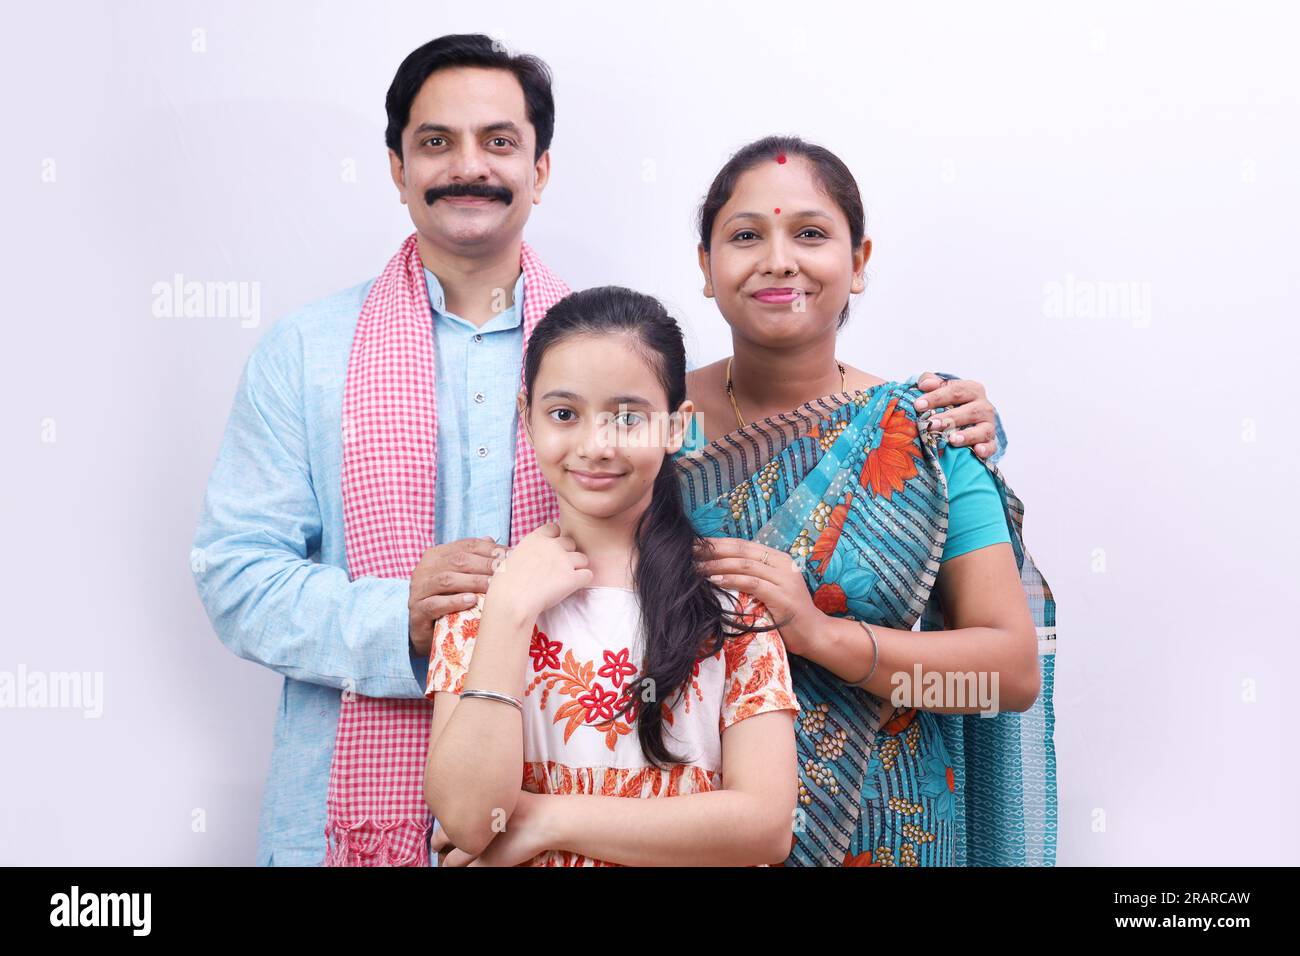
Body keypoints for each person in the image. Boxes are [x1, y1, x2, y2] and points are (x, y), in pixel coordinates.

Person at [192, 32, 1009, 868]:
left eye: (500, 141)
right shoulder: (309, 355)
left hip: (773, 819)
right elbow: (234, 572)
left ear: (540, 169)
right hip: (357, 815)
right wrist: (415, 618)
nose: (468, 165)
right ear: (396, 166)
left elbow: (1001, 676)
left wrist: (829, 612)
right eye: (435, 141)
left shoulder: (628, 366)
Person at [676, 135, 1057, 866]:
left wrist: (821, 635)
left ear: (858, 264)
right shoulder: (644, 428)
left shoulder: (926, 430)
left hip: (888, 826)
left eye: (810, 234)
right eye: (746, 235)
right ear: (706, 266)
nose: (779, 259)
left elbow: (1009, 673)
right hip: (694, 820)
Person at [424, 286, 800, 866]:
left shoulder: (731, 603)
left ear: (677, 428)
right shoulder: (481, 599)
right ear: (526, 419)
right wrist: (509, 614)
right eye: (564, 414)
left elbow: (765, 826)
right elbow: (470, 820)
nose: (596, 445)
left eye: (628, 417)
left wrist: (543, 818)